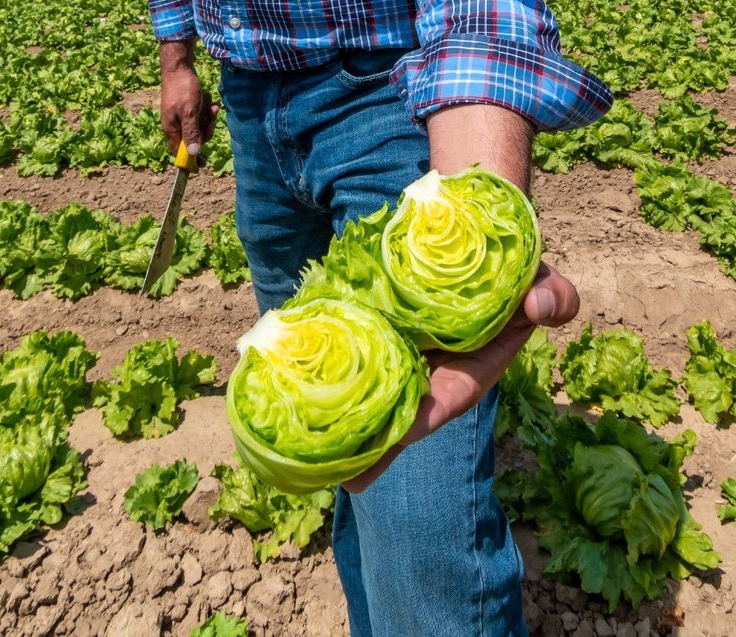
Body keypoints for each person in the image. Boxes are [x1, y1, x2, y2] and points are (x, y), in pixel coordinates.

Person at [148, 1, 612, 634]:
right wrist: (176, 59)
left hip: (390, 91)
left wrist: (471, 245)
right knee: (345, 445)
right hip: (249, 100)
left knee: (416, 520)